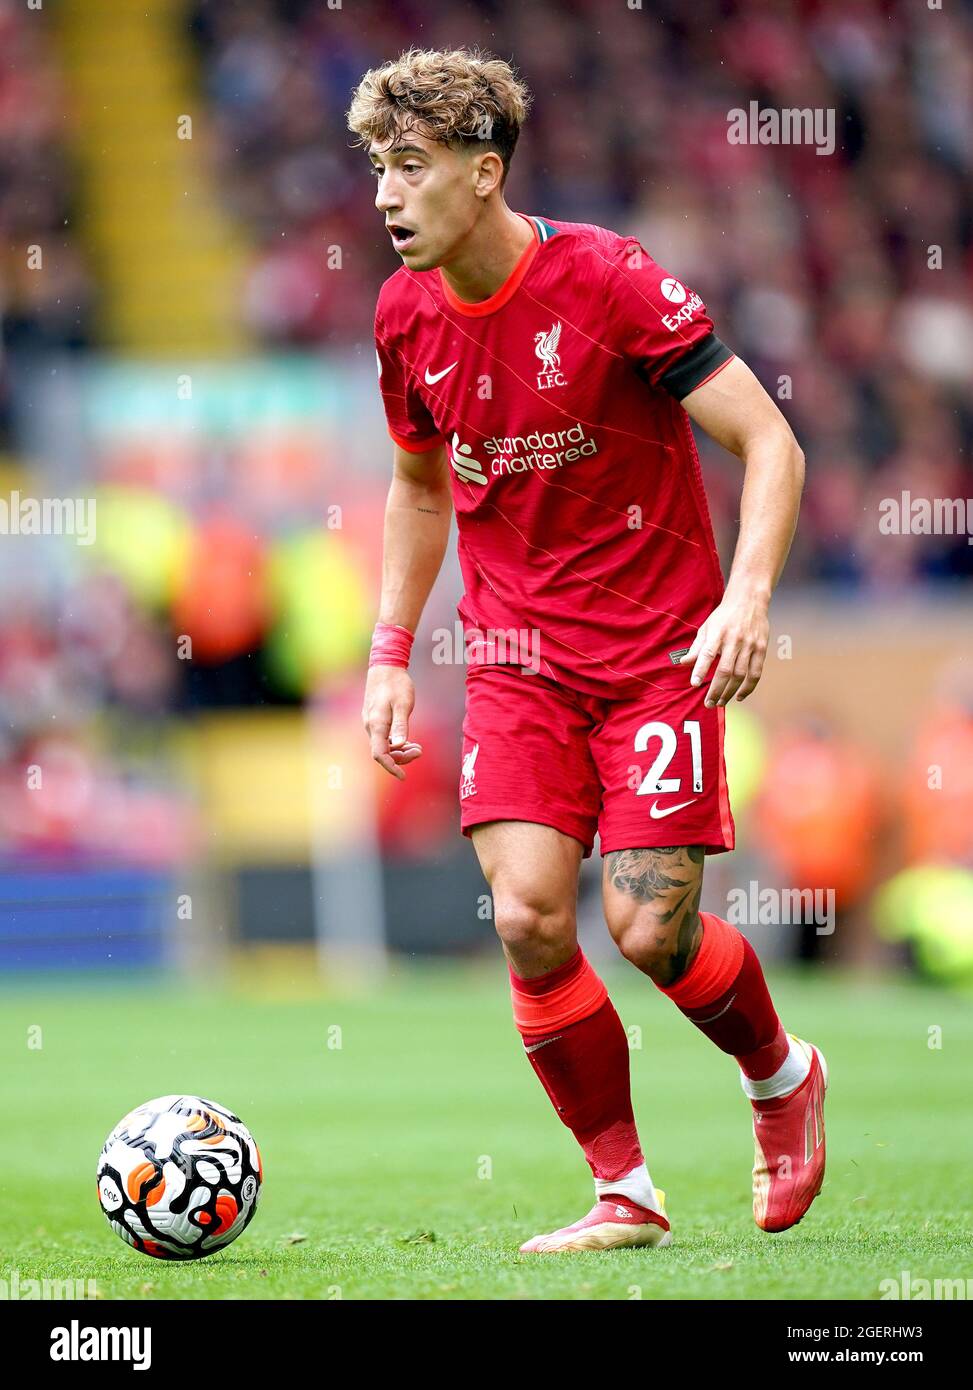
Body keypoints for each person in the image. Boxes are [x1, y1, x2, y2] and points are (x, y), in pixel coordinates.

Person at [349, 46, 825, 1252]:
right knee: (525, 918)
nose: (386, 197)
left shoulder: (609, 282)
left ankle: (780, 1079)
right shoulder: (403, 316)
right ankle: (626, 1189)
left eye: (410, 168)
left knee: (649, 927)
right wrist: (391, 650)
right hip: (514, 659)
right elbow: (416, 490)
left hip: (661, 649)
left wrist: (748, 597)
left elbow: (771, 446)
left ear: (484, 171)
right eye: (376, 170)